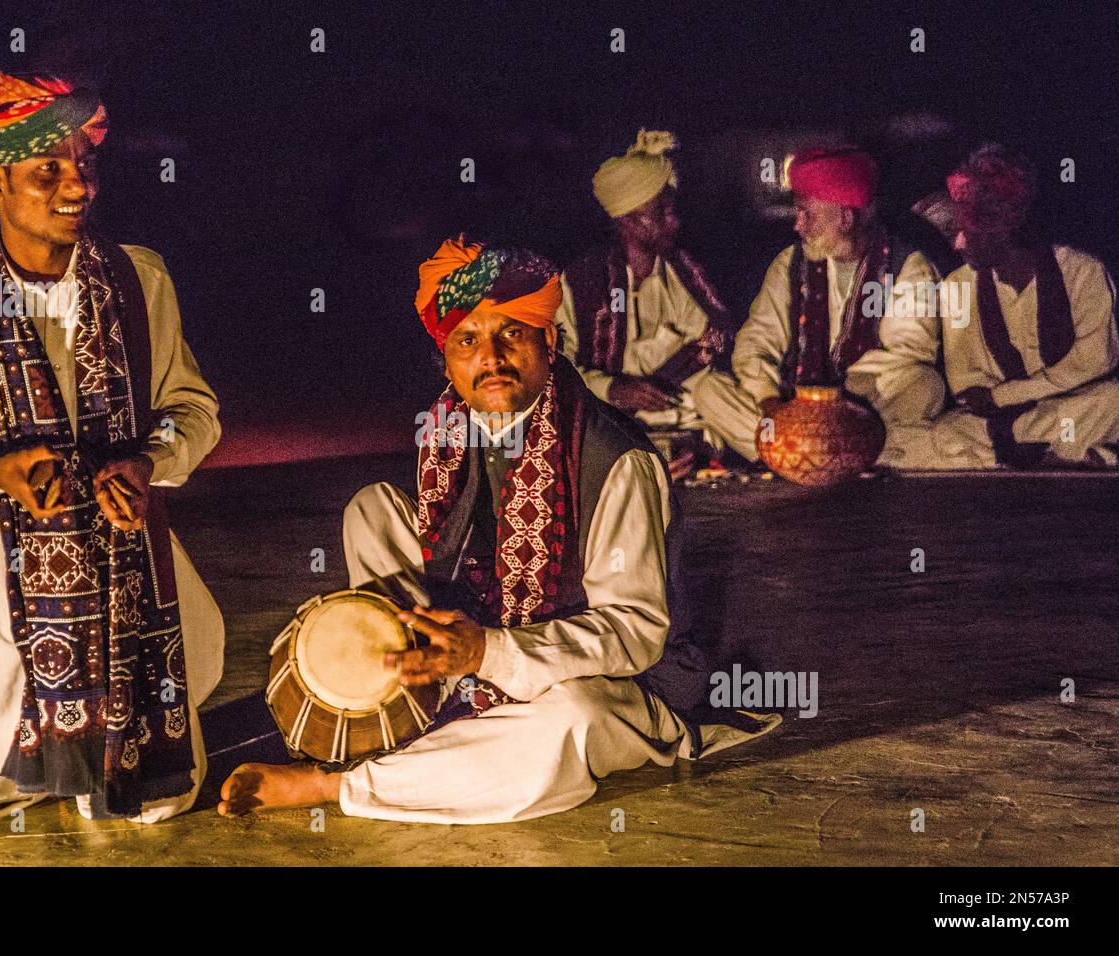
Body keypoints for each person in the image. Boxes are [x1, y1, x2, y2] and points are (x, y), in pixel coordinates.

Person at [218, 237, 779, 823]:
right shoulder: (450, 430)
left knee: (570, 720)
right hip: (484, 628)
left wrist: (488, 651)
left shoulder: (616, 459)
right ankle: (419, 684)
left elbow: (634, 634)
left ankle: (338, 787)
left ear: (549, 340)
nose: (491, 357)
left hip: (610, 679)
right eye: (467, 340)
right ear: (448, 359)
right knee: (372, 508)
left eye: (511, 333)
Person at [0, 69, 223, 831]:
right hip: (3, 572)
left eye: (85, 164)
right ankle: (53, 757)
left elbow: (193, 410)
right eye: (48, 171)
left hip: (135, 562)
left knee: (158, 803)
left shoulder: (138, 279)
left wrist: (149, 462)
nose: (78, 186)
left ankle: (102, 758)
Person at [693, 147, 945, 462]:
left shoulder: (908, 265)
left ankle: (801, 456)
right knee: (710, 391)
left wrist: (832, 400)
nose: (798, 226)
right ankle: (820, 453)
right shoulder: (790, 262)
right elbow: (758, 338)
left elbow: (908, 353)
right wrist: (771, 402)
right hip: (792, 404)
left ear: (845, 217)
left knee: (922, 385)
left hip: (863, 402)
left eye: (806, 213)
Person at [881, 145, 1119, 469]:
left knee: (1112, 401)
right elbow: (966, 384)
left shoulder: (1082, 272)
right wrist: (1007, 402)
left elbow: (1093, 363)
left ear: (1003, 228)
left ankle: (1033, 450)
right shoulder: (958, 287)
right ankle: (1067, 451)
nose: (958, 244)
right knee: (927, 435)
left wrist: (1002, 396)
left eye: (968, 231)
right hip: (999, 421)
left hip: (1076, 406)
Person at [555, 130, 738, 478]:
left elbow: (710, 351)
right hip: (610, 421)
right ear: (626, 221)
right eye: (661, 213)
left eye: (672, 210)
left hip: (682, 418)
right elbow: (559, 370)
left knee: (719, 393)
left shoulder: (683, 276)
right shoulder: (579, 283)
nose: (674, 222)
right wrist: (614, 389)